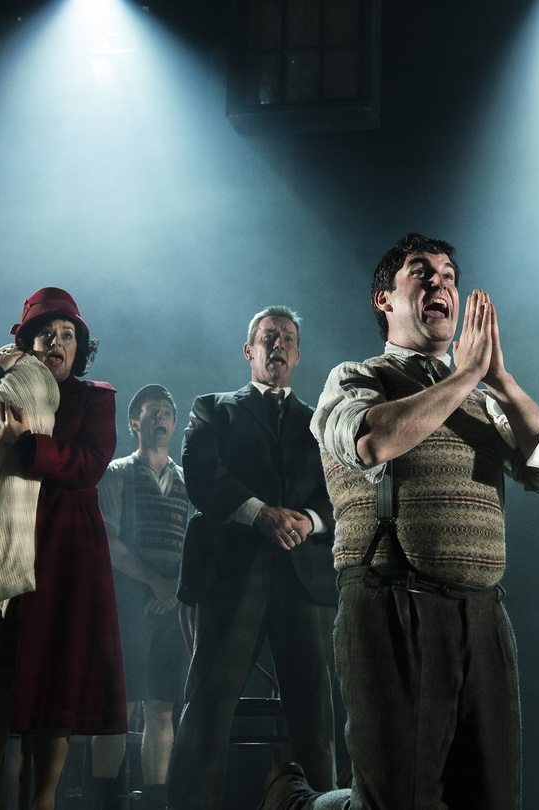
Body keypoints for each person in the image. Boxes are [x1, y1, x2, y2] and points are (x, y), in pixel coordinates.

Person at [259, 232, 539, 810]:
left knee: (491, 799)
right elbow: (372, 442)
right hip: (391, 603)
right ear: (384, 299)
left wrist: (499, 380)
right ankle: (295, 804)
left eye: (450, 275)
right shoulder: (356, 377)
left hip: (483, 613)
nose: (441, 283)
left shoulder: (483, 397)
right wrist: (465, 377)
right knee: (398, 801)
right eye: (421, 272)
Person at [0, 287, 125, 810]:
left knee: (56, 674)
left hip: (65, 549)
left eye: (68, 335)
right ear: (27, 343)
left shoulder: (95, 397)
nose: (57, 342)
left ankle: (43, 802)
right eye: (46, 334)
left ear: (80, 347)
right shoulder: (3, 384)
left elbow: (89, 463)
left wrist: (26, 441)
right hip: (1, 545)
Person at [168, 306, 339, 810]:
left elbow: (343, 490)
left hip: (305, 581)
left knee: (315, 719)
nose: (278, 344)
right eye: (268, 336)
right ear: (249, 350)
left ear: (298, 355)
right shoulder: (213, 408)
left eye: (287, 338)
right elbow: (201, 473)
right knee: (209, 706)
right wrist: (259, 513)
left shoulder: (321, 422)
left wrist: (310, 520)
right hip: (231, 576)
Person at [91, 384, 193, 810]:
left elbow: (195, 546)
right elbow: (108, 542)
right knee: (119, 704)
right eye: (152, 411)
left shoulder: (188, 482)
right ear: (135, 422)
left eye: (167, 411)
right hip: (128, 602)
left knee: (162, 707)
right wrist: (153, 582)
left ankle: (154, 801)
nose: (161, 417)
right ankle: (104, 801)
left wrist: (173, 590)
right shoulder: (116, 473)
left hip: (173, 604)